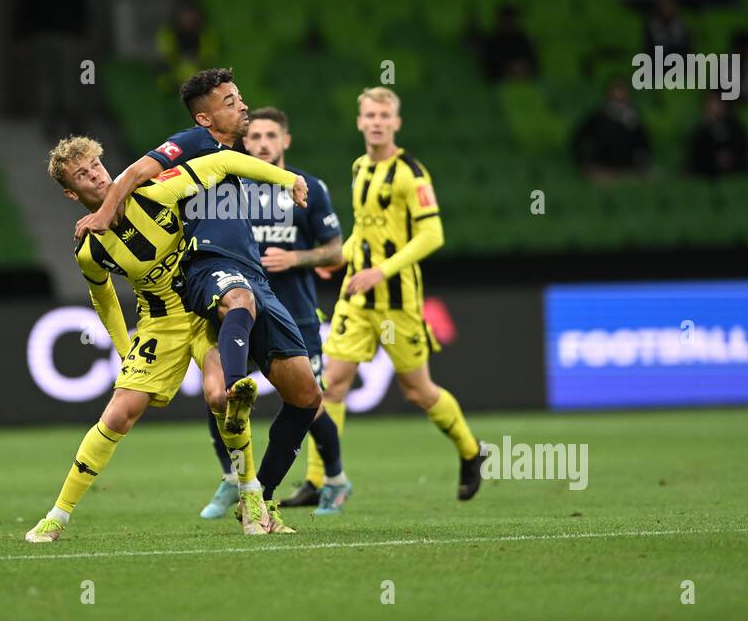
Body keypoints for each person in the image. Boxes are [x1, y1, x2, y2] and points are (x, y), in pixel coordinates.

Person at [75, 69, 337, 533]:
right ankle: (238, 395)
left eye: (240, 96)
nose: (242, 105)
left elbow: (241, 170)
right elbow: (135, 174)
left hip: (253, 276)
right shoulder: (192, 143)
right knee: (233, 315)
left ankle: (260, 500)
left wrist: (287, 180)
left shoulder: (227, 157)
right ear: (204, 116)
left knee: (306, 397)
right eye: (230, 100)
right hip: (206, 268)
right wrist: (104, 211)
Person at [26, 138, 307, 543]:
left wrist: (288, 179)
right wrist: (125, 350)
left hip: (203, 304)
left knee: (219, 397)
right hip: (159, 324)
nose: (96, 176)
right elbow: (102, 297)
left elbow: (225, 159)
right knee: (118, 414)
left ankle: (252, 499)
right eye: (82, 175)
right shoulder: (89, 249)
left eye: (96, 166)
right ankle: (57, 516)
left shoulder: (158, 189)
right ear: (71, 193)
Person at [317, 88, 485, 503]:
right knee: (331, 386)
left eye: (384, 115)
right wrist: (342, 256)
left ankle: (470, 450)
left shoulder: (411, 172)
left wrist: (382, 270)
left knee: (418, 392)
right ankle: (322, 481)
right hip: (357, 298)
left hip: (396, 304)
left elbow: (433, 234)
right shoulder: (358, 168)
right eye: (369, 115)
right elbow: (365, 230)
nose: (376, 122)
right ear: (359, 122)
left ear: (396, 123)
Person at [199, 108, 349, 518]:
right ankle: (234, 479)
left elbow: (336, 249)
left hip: (296, 313)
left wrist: (297, 257)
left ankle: (334, 480)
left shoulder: (309, 188)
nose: (262, 142)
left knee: (309, 403)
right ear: (245, 143)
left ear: (285, 141)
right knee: (219, 392)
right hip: (241, 311)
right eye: (256, 136)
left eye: (271, 136)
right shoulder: (231, 188)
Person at [15, 0, 88, 131]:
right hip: (65, 36)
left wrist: (22, 37)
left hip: (43, 36)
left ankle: (50, 121)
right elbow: (80, 7)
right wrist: (80, 33)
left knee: (47, 81)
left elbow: (25, 9)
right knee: (68, 79)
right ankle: (72, 119)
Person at [571, 78, 651, 180]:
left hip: (629, 167)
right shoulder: (598, 116)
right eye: (616, 90)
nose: (618, 94)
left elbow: (644, 144)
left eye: (621, 91)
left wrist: (642, 160)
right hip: (603, 167)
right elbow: (578, 138)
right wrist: (582, 162)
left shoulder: (633, 118)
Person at [685, 95, 748, 178]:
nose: (714, 107)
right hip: (708, 172)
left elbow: (742, 148)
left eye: (717, 103)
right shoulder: (701, 131)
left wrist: (729, 157)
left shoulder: (735, 126)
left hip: (735, 170)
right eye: (711, 103)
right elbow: (697, 154)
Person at [482, 3, 539, 82]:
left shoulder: (523, 39)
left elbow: (534, 66)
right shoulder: (492, 42)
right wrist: (508, 69)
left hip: (525, 85)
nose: (508, 23)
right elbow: (488, 70)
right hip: (499, 86)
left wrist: (523, 68)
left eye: (510, 19)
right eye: (505, 20)